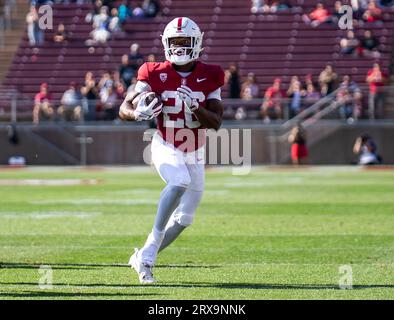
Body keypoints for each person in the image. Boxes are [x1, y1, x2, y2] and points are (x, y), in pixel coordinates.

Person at [119, 17, 225, 284]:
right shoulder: (153, 72)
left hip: (195, 151)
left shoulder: (211, 74)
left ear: (195, 43)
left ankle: (142, 255)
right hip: (165, 144)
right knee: (179, 181)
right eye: (173, 42)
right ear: (165, 44)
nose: (178, 48)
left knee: (185, 218)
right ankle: (147, 260)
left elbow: (215, 122)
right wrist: (136, 113)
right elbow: (124, 108)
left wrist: (196, 108)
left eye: (183, 42)